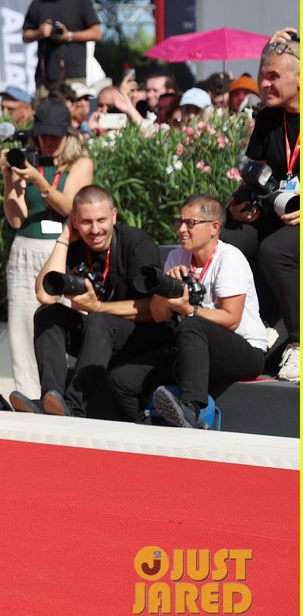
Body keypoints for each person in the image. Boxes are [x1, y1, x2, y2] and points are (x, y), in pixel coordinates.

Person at [107, 195, 267, 425]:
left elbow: (231, 319)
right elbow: (159, 315)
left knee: (191, 323)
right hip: (193, 347)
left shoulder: (229, 258)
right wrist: (167, 289)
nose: (182, 229)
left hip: (244, 351)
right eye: (180, 222)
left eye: (190, 223)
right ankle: (142, 431)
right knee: (121, 379)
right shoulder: (177, 257)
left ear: (214, 227)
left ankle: (192, 409)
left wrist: (189, 309)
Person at [13, 185, 170, 416]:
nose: (95, 230)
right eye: (86, 222)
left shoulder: (136, 243)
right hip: (100, 337)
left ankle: (73, 407)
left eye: (101, 220)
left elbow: (152, 309)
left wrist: (97, 307)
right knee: (48, 314)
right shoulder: (75, 244)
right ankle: (51, 399)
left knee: (98, 320)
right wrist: (64, 238)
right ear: (74, 221)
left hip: (143, 337)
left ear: (114, 216)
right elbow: (45, 295)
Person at [0, 99, 94, 400]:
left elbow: (70, 208)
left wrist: (39, 181)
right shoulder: (26, 162)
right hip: (26, 248)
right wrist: (9, 177)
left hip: (63, 249)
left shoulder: (79, 164)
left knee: (65, 322)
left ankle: (67, 396)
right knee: (23, 328)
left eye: (55, 135)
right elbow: (16, 219)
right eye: (43, 135)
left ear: (67, 135)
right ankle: (29, 396)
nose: (49, 141)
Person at [221, 28, 300, 382]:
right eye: (262, 75)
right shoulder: (269, 117)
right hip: (277, 209)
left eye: (274, 76)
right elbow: (256, 170)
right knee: (229, 238)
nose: (264, 84)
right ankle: (254, 323)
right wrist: (238, 203)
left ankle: (297, 341)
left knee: (275, 250)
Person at [22, 0, 102, 95]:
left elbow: (97, 34)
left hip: (74, 75)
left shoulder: (80, 0)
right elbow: (25, 36)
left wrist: (69, 36)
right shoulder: (39, 2)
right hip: (46, 77)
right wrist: (39, 33)